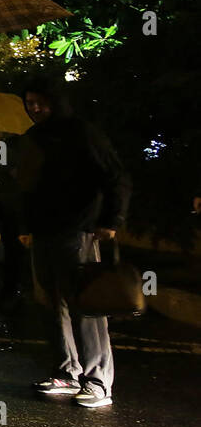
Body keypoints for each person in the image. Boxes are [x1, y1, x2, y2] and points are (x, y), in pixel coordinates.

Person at [16, 76, 129, 409]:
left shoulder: (82, 133)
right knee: (51, 304)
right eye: (29, 102)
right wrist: (25, 225)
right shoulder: (32, 138)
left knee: (85, 305)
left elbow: (115, 176)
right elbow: (26, 185)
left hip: (77, 230)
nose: (34, 108)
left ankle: (97, 380)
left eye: (40, 102)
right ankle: (67, 371)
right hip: (44, 232)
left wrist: (110, 220)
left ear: (55, 101)